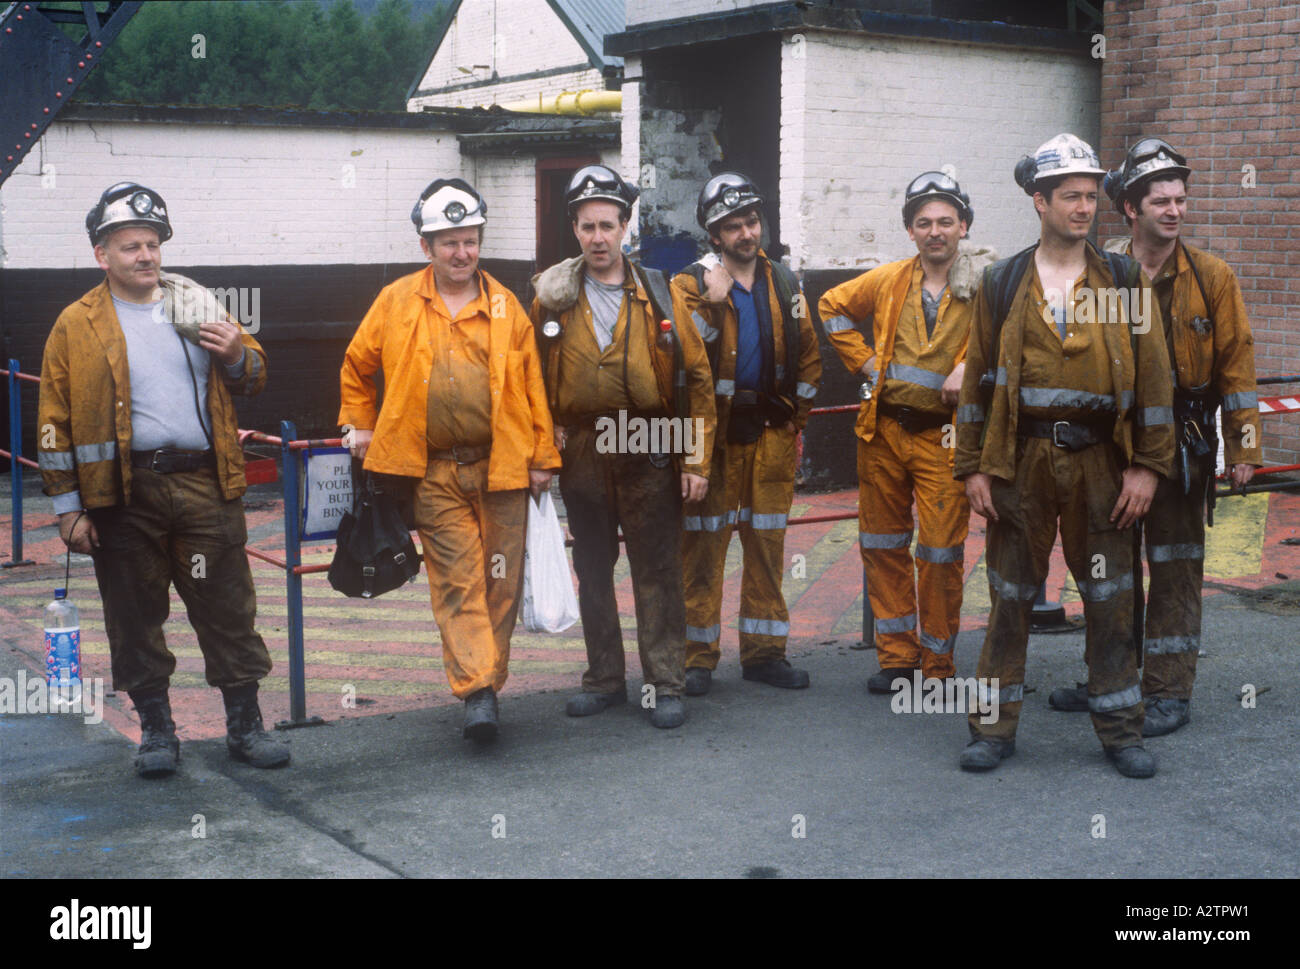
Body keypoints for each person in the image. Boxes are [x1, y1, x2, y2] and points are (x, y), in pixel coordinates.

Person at [38, 181, 286, 777]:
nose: (146, 256)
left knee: (227, 608)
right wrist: (69, 509)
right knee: (133, 615)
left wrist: (236, 353)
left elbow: (254, 376)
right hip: (124, 495)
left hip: (204, 486)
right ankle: (156, 733)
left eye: (152, 244)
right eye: (131, 246)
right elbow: (53, 422)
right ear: (102, 255)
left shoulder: (195, 303)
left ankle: (245, 728)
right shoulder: (76, 324)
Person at [954, 134, 1175, 778]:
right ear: (1039, 201)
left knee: (1110, 596)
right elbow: (977, 386)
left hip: (1101, 463)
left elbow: (1154, 381)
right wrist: (972, 466)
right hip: (1021, 460)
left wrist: (1147, 466)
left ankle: (1121, 731)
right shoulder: (1002, 282)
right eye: (1071, 196)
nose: (1084, 208)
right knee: (1010, 597)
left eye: (1090, 196)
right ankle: (992, 729)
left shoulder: (1124, 280)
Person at [1047, 139, 1261, 736]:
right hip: (1108, 445)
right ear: (1131, 209)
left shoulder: (1211, 278)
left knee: (1174, 567)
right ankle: (1110, 678)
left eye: (1180, 200)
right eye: (1161, 201)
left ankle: (1168, 691)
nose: (1174, 210)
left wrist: (1243, 447)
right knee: (1108, 571)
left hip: (1183, 445)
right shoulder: (1099, 272)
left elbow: (1237, 366)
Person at [339, 178, 559, 742]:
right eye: (449, 242)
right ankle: (478, 692)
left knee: (501, 581)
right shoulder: (396, 301)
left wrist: (542, 456)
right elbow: (358, 364)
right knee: (459, 582)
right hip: (434, 471)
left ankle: (486, 681)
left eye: (470, 241)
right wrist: (360, 424)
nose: (462, 253)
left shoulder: (507, 306)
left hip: (503, 466)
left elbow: (533, 385)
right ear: (426, 246)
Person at [529, 165, 716, 728]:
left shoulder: (659, 293)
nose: (597, 238)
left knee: (657, 567)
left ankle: (666, 683)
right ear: (574, 229)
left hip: (649, 440)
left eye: (607, 225)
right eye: (587, 227)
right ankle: (604, 680)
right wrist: (545, 432)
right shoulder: (552, 298)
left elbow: (698, 380)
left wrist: (695, 459)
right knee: (592, 566)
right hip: (583, 447)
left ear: (625, 226)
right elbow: (527, 376)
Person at [821, 172, 995, 693]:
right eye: (924, 222)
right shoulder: (890, 280)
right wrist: (866, 363)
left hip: (945, 438)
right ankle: (897, 658)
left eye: (945, 221)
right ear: (910, 230)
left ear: (964, 226)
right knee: (882, 545)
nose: (935, 231)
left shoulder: (986, 287)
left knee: (939, 553)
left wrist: (969, 366)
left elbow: (1013, 340)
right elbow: (830, 307)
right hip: (883, 432)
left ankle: (938, 665)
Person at [670, 172, 822, 696]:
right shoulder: (688, 286)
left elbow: (809, 353)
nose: (746, 233)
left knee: (767, 546)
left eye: (751, 221)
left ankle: (764, 654)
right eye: (732, 226)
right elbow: (685, 359)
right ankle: (695, 659)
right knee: (702, 549)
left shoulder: (786, 283)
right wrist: (714, 302)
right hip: (713, 442)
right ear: (714, 235)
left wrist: (797, 419)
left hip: (771, 436)